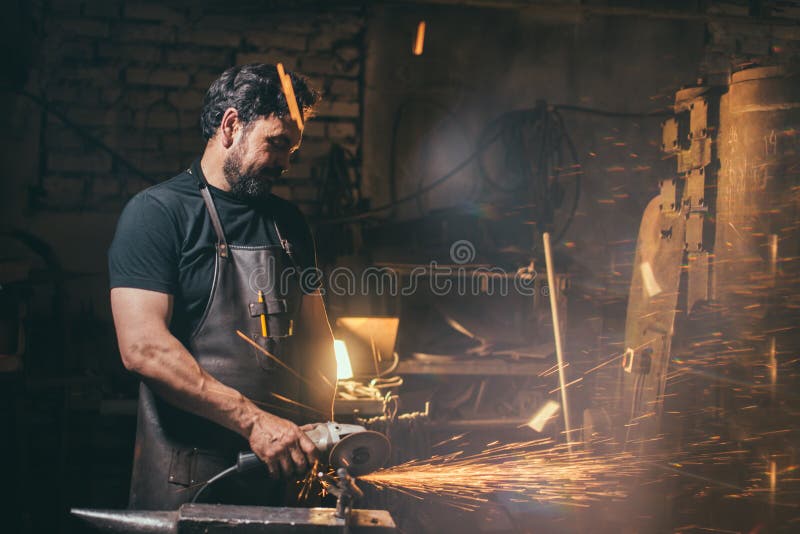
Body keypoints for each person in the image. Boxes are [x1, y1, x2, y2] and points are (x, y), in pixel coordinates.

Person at [108, 64, 337, 510]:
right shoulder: (156, 214)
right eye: (276, 143)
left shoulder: (291, 224)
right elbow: (143, 347)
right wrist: (254, 423)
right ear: (231, 125)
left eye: (293, 149)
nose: (286, 162)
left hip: (281, 483)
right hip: (188, 483)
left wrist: (324, 432)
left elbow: (318, 339)